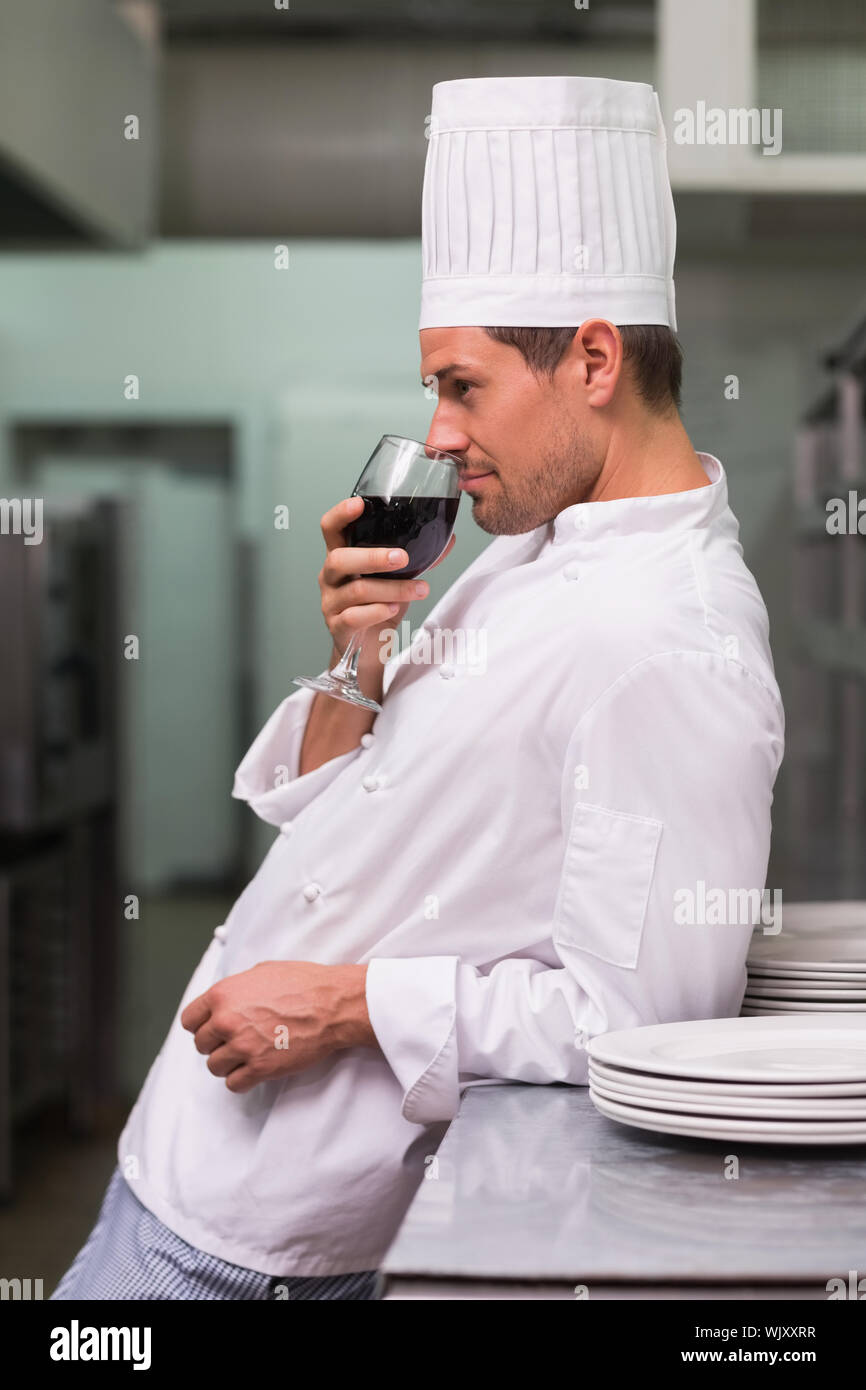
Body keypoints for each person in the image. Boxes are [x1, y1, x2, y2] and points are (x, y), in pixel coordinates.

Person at [52, 75, 784, 1300]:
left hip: (256, 1242)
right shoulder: (535, 549)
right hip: (185, 1171)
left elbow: (640, 1025)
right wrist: (357, 656)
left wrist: (346, 1006)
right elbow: (347, 811)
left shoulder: (667, 636)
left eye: (461, 384)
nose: (435, 433)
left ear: (592, 358)